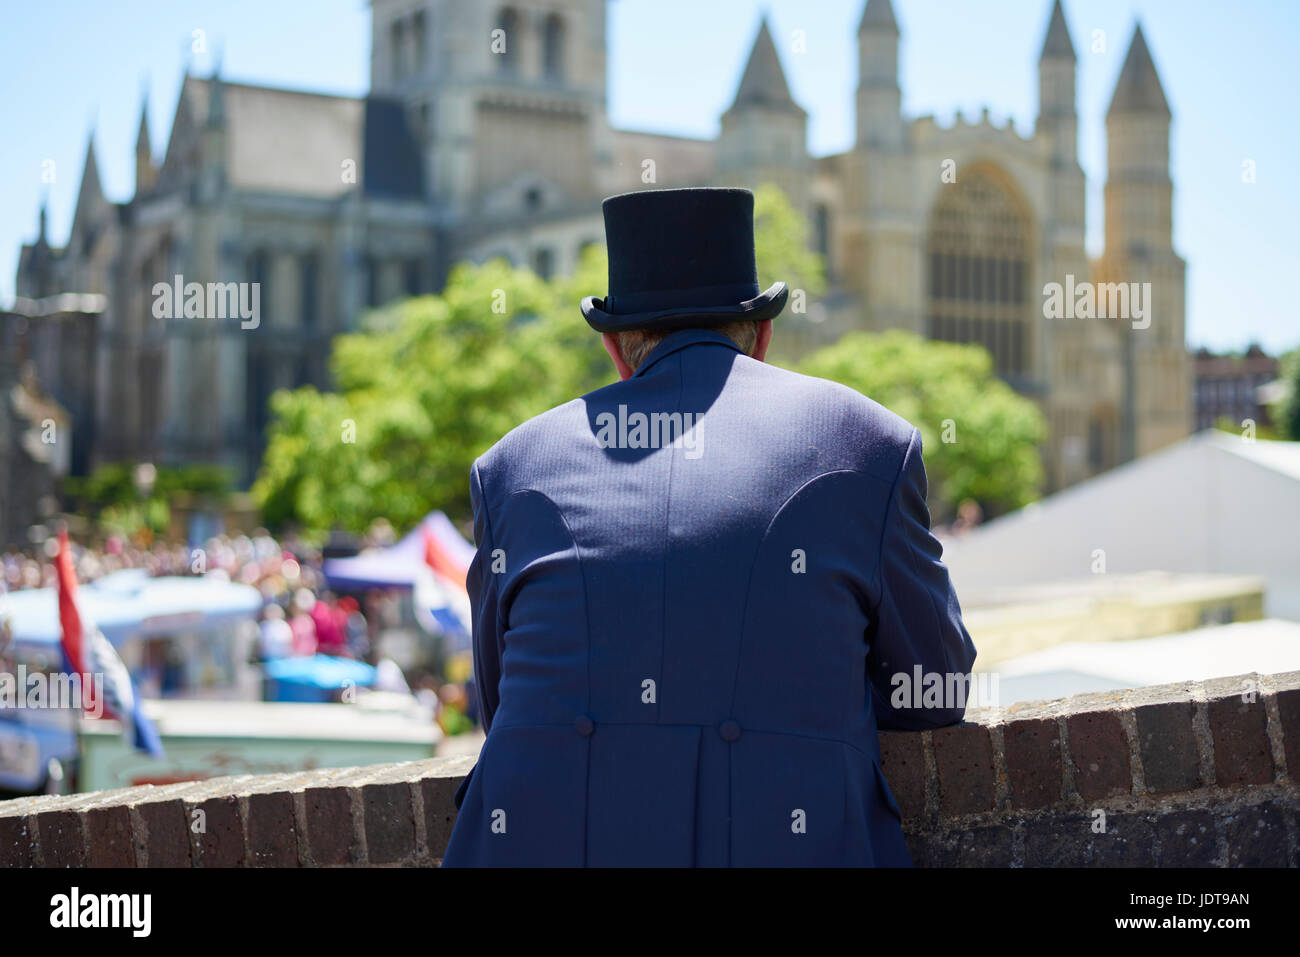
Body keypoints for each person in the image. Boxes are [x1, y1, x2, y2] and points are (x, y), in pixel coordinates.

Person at [442, 187, 976, 867]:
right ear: (762, 335)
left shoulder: (511, 465)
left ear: (614, 348)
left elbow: (498, 702)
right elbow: (935, 688)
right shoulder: (866, 441)